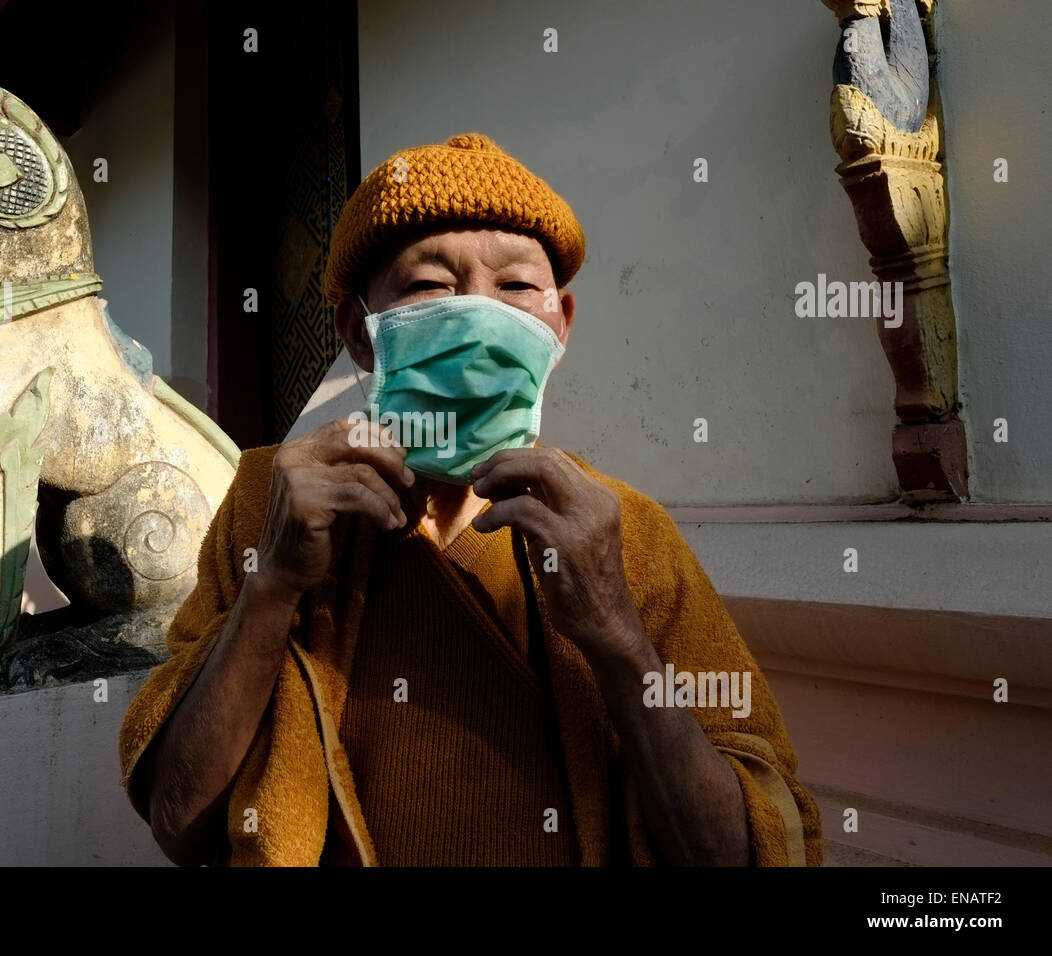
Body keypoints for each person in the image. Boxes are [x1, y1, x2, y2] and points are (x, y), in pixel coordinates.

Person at [118, 132, 822, 867]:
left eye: (516, 288)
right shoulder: (272, 502)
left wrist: (616, 631)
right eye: (429, 287)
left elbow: (750, 853)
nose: (478, 315)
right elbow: (179, 818)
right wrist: (275, 588)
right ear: (361, 334)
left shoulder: (626, 535)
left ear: (559, 325)